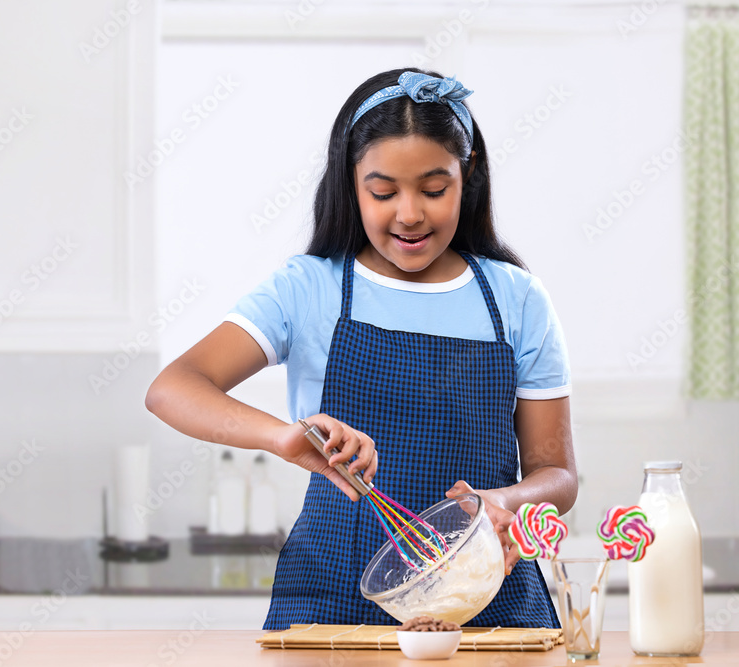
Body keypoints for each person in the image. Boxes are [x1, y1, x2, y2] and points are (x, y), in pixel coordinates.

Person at [145, 67, 577, 630]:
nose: (409, 213)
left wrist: (507, 500)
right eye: (382, 191)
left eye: (433, 189)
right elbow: (172, 389)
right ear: (351, 183)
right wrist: (284, 437)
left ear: (467, 175)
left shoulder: (516, 299)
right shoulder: (309, 288)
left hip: (490, 601)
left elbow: (558, 474)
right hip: (332, 604)